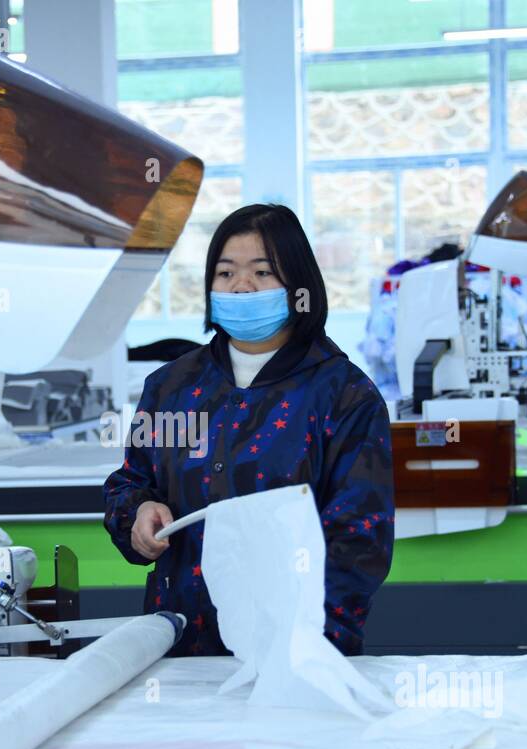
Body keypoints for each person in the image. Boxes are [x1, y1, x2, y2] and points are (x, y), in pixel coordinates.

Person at [102, 204, 394, 657]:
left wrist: (303, 644)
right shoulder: (172, 388)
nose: (241, 286)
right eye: (225, 273)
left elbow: (361, 539)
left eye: (262, 272)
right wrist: (137, 514)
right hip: (181, 643)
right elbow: (130, 482)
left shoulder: (344, 396)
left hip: (294, 652)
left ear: (300, 287)